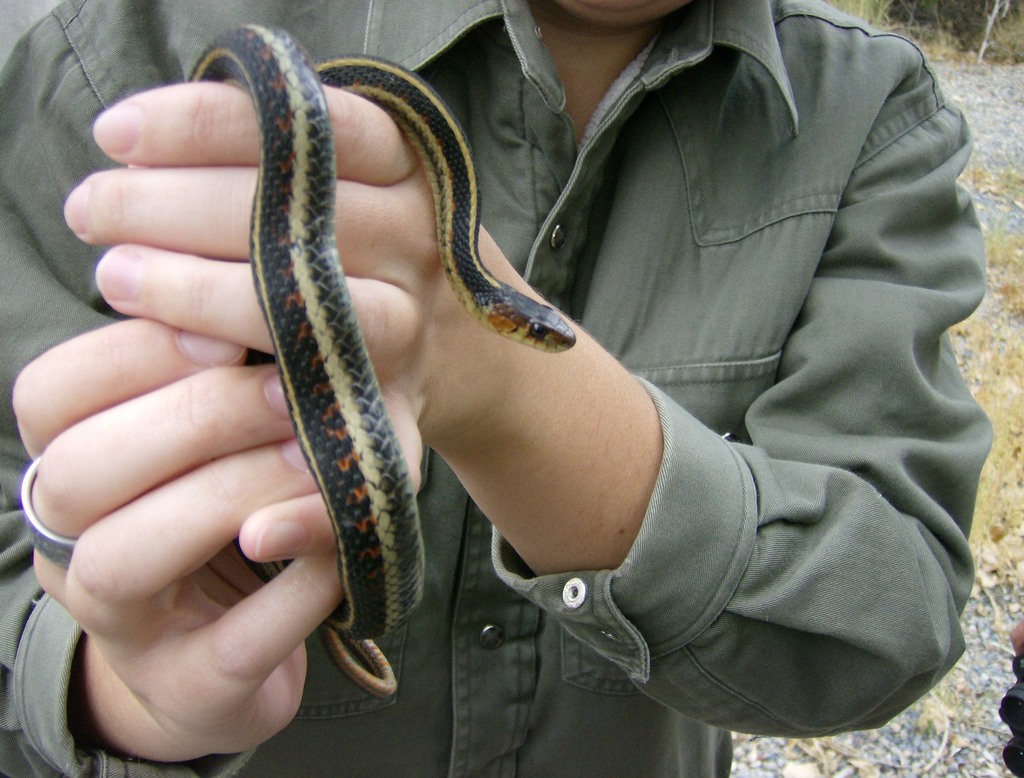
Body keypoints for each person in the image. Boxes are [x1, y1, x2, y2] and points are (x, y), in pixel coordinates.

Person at [0, 0, 993, 775]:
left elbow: (893, 613)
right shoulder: (122, 47)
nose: (541, 343)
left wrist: (506, 391)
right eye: (534, 335)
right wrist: (112, 694)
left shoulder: (868, 110)